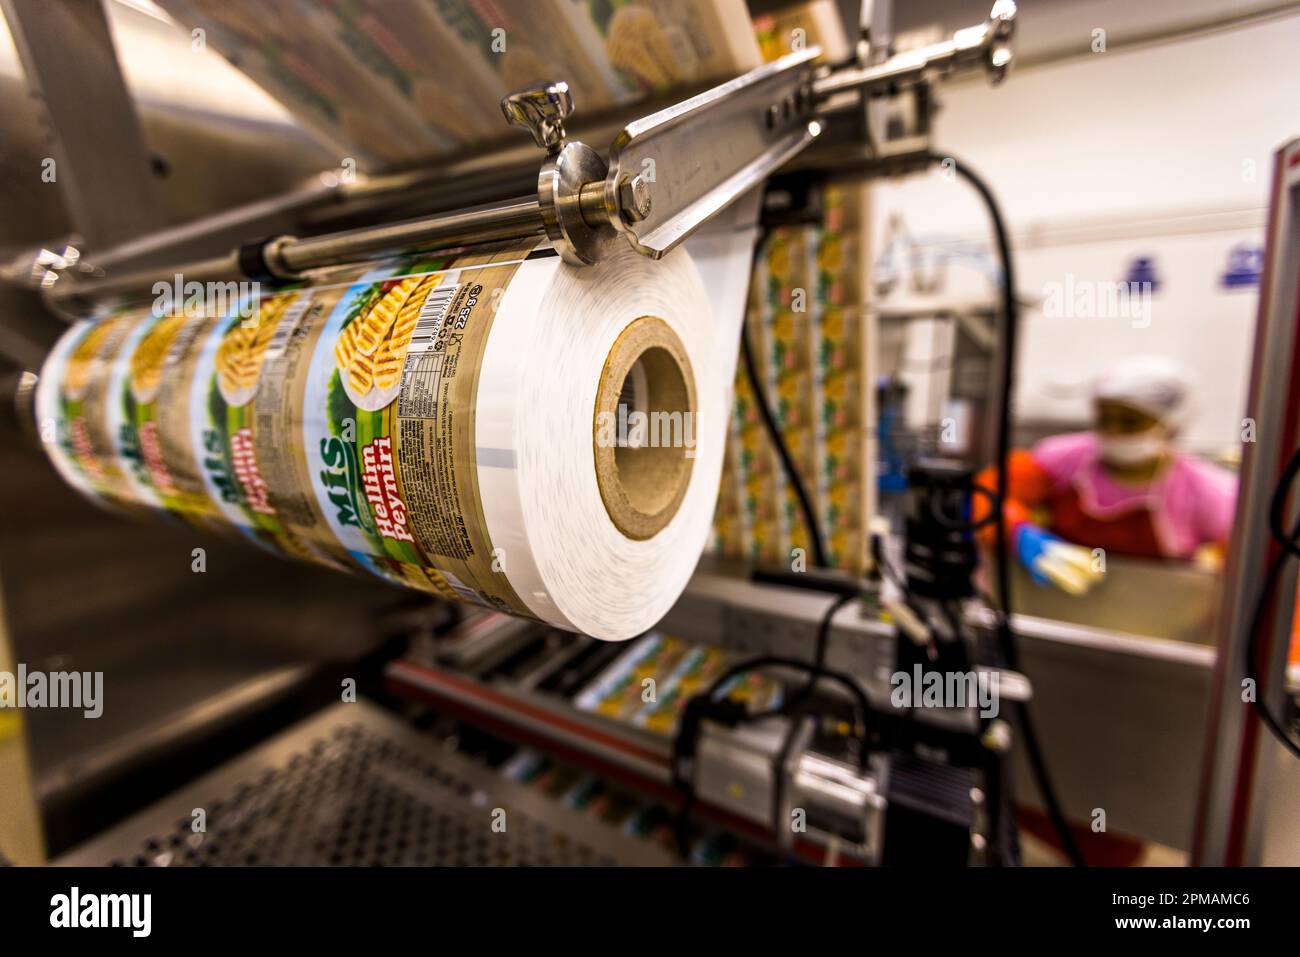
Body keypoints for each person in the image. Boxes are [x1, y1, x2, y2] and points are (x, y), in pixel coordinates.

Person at [974, 356, 1238, 593]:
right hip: (1057, 597)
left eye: (1130, 422)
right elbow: (987, 496)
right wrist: (1021, 535)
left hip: (1154, 614)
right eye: (1104, 418)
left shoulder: (1207, 491)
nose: (1113, 430)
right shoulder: (1062, 457)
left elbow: (1242, 561)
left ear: (1170, 424)